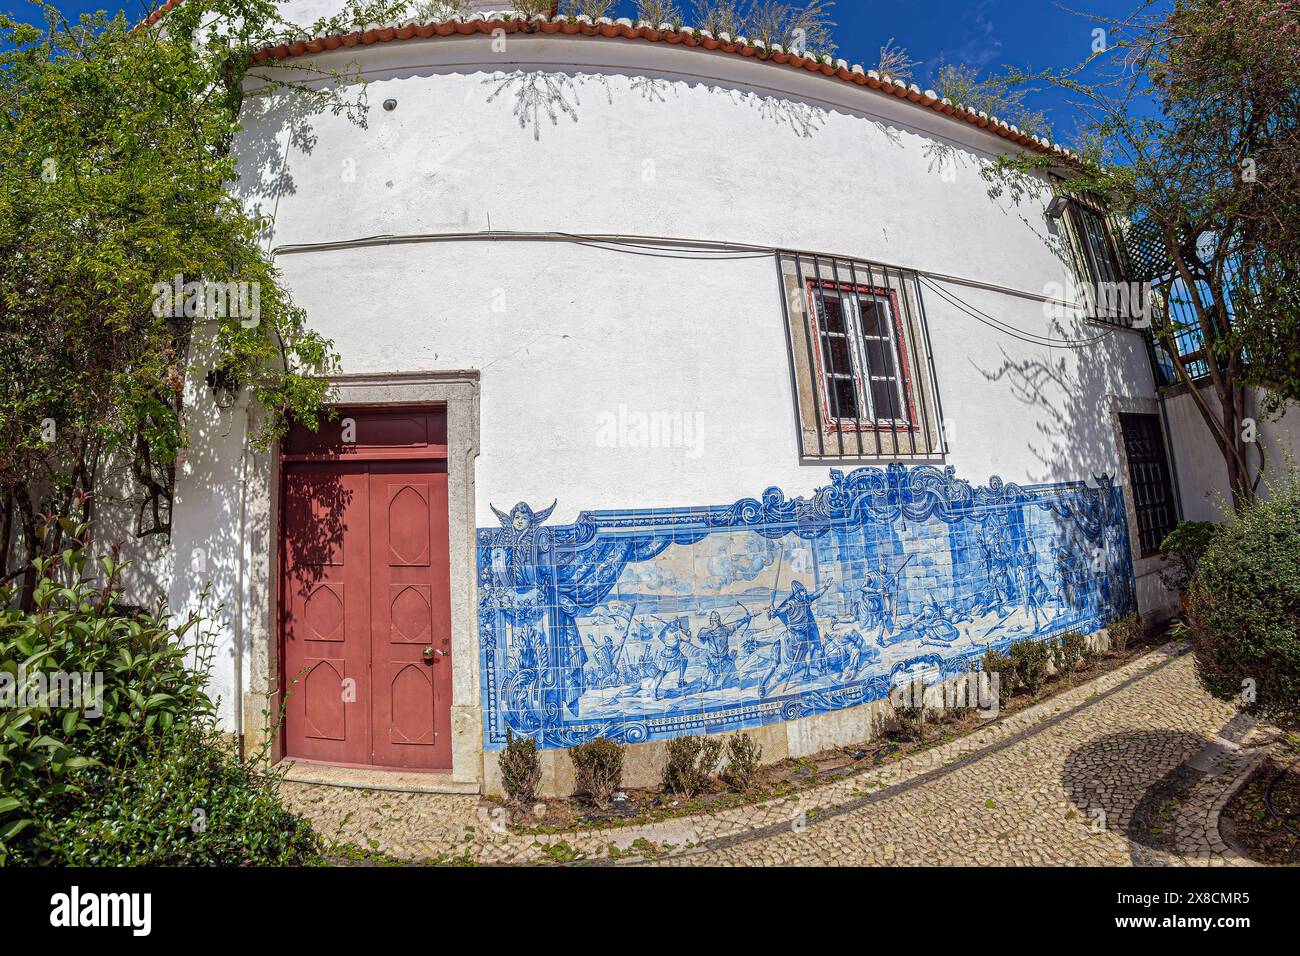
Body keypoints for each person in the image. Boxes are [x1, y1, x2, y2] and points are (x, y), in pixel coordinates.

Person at [696, 608, 752, 691]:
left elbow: (734, 627)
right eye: (714, 620)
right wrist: (711, 629)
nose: (716, 622)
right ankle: (704, 686)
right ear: (711, 621)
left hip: (725, 658)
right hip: (713, 660)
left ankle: (737, 685)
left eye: (717, 620)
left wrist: (744, 620)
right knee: (707, 681)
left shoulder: (724, 629)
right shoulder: (707, 631)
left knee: (734, 675)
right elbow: (700, 635)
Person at [653, 617, 694, 700]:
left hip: (666, 652)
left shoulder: (665, 631)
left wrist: (669, 642)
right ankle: (680, 680)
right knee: (682, 661)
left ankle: (655, 689)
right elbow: (688, 640)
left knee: (683, 660)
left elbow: (660, 637)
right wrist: (688, 633)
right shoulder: (678, 632)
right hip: (674, 654)